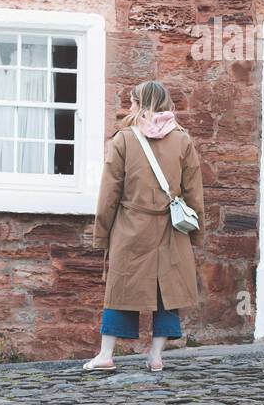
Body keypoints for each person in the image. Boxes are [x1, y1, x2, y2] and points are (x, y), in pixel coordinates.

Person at [86, 80, 205, 372]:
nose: (130, 106)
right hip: (171, 229)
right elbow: (194, 193)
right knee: (168, 292)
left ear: (141, 104)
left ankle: (106, 355)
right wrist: (196, 236)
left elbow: (109, 194)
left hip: (131, 226)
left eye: (132, 101)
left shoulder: (124, 139)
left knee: (120, 289)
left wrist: (102, 235)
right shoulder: (183, 140)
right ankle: (156, 356)